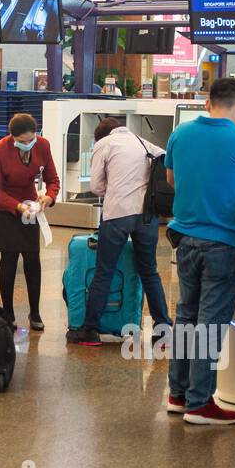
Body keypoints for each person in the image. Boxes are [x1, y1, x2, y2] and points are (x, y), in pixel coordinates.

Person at [163, 77, 235, 425]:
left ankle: (178, 395)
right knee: (210, 323)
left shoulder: (180, 134)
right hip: (223, 244)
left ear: (208, 101)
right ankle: (200, 403)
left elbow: (171, 180)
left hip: (185, 240)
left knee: (186, 318)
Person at [69, 117, 173, 347]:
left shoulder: (104, 145)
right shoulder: (146, 144)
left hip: (117, 213)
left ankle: (90, 330)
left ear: (101, 135)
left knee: (104, 271)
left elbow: (96, 186)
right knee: (150, 272)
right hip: (147, 215)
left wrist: (116, 188)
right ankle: (163, 328)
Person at [0, 113, 58, 331]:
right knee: (8, 258)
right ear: (13, 138)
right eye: (22, 141)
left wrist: (49, 196)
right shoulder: (0, 150)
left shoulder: (43, 145)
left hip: (31, 206)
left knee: (32, 258)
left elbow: (52, 179)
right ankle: (8, 313)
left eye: (31, 139)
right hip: (7, 208)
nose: (28, 144)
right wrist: (16, 206)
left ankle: (35, 312)